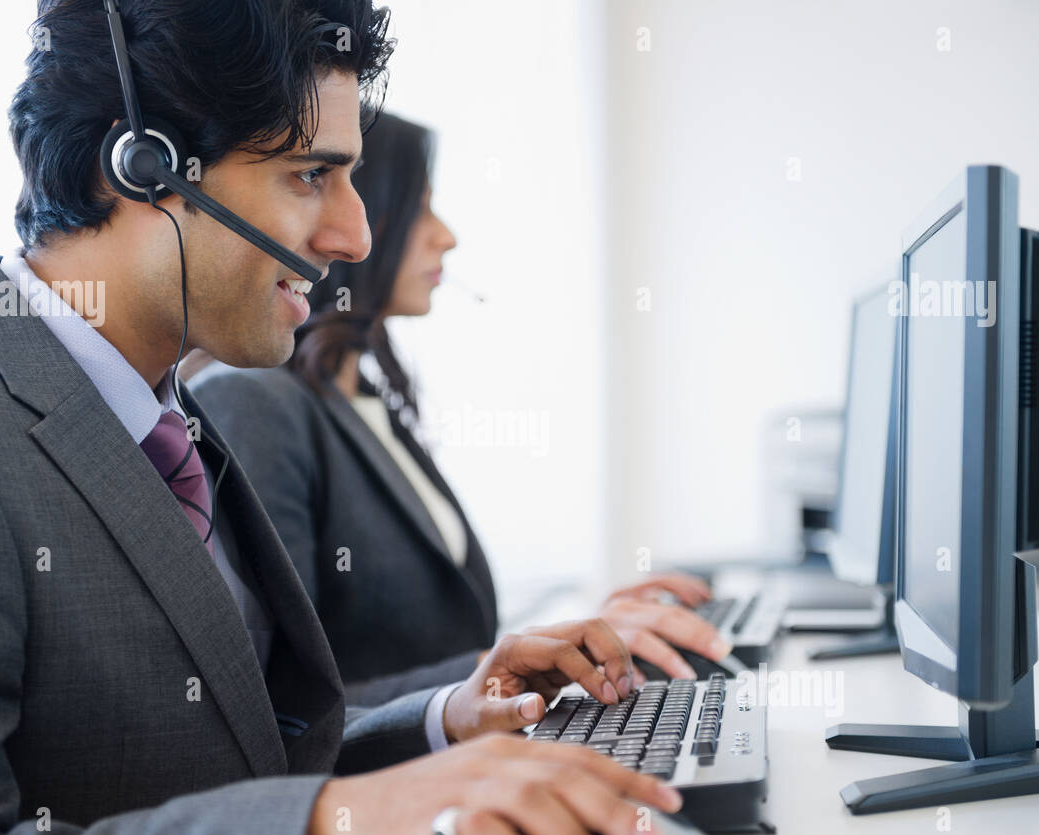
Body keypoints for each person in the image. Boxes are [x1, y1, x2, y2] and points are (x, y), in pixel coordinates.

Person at [0, 0, 682, 835]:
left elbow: (239, 763)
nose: (354, 235)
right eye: (310, 175)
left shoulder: (165, 414)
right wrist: (317, 832)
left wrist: (444, 721)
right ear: (140, 168)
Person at [191, 112, 736, 707]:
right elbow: (279, 710)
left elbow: (441, 652)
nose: (445, 236)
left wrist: (573, 644)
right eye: (421, 207)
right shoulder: (254, 403)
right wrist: (498, 671)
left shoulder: (365, 402)